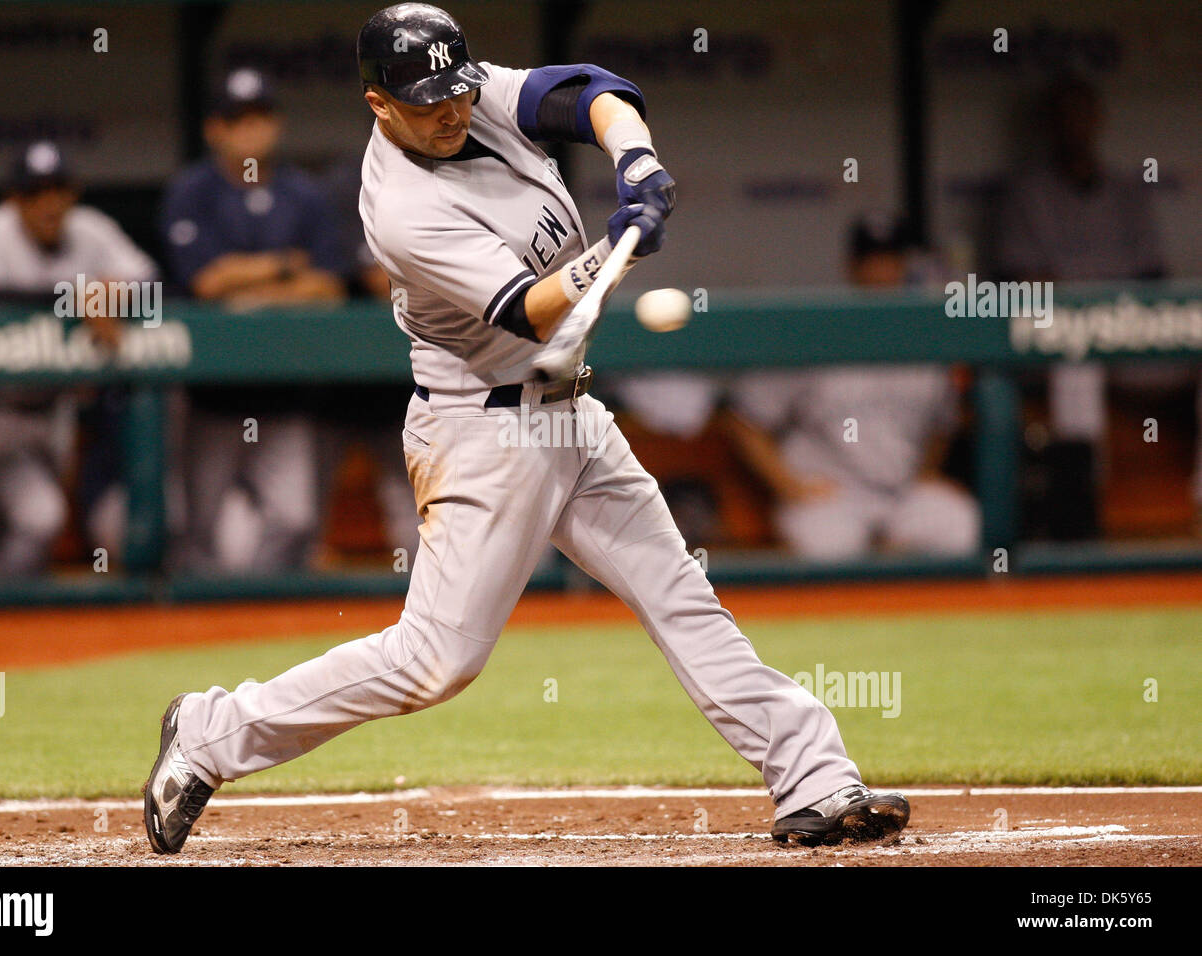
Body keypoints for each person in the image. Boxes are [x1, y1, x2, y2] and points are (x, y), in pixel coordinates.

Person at [143, 3, 910, 855]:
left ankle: (812, 777)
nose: (450, 110)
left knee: (680, 593)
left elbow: (592, 94)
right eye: (425, 98)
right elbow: (529, 312)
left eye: (456, 89)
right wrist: (612, 246)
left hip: (568, 414)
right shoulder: (399, 205)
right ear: (377, 103)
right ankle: (212, 732)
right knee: (434, 663)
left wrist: (636, 159)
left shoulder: (473, 98)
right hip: (481, 430)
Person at [0, 141, 157, 578]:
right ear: (12, 199)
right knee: (40, 516)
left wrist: (115, 292)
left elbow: (152, 282)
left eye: (58, 190)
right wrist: (76, 297)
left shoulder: (91, 229)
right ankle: (8, 613)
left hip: (50, 411)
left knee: (16, 524)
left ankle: (1, 616)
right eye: (33, 193)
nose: (48, 203)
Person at [161, 68, 348, 574]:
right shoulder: (192, 190)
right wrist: (284, 268)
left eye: (261, 117)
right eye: (237, 119)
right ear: (214, 129)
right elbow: (205, 281)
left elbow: (329, 287)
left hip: (282, 392)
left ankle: (254, 618)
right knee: (198, 527)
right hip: (211, 396)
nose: (251, 129)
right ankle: (193, 630)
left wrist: (247, 285)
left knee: (295, 518)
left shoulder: (303, 193)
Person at [722, 215, 980, 560]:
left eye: (890, 259)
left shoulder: (926, 336)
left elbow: (942, 425)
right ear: (852, 266)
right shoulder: (815, 333)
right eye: (872, 261)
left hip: (902, 495)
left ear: (905, 264)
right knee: (828, 547)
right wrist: (790, 487)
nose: (882, 270)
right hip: (831, 496)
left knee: (959, 526)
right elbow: (742, 419)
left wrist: (927, 475)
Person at [995, 73, 1172, 539]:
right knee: (1078, 361)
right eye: (1063, 115)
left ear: (1099, 119)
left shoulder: (1128, 189)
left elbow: (1154, 273)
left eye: (1082, 113)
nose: (1074, 125)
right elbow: (1020, 279)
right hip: (1059, 335)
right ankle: (1081, 513)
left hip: (1133, 332)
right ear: (1049, 124)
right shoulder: (1027, 192)